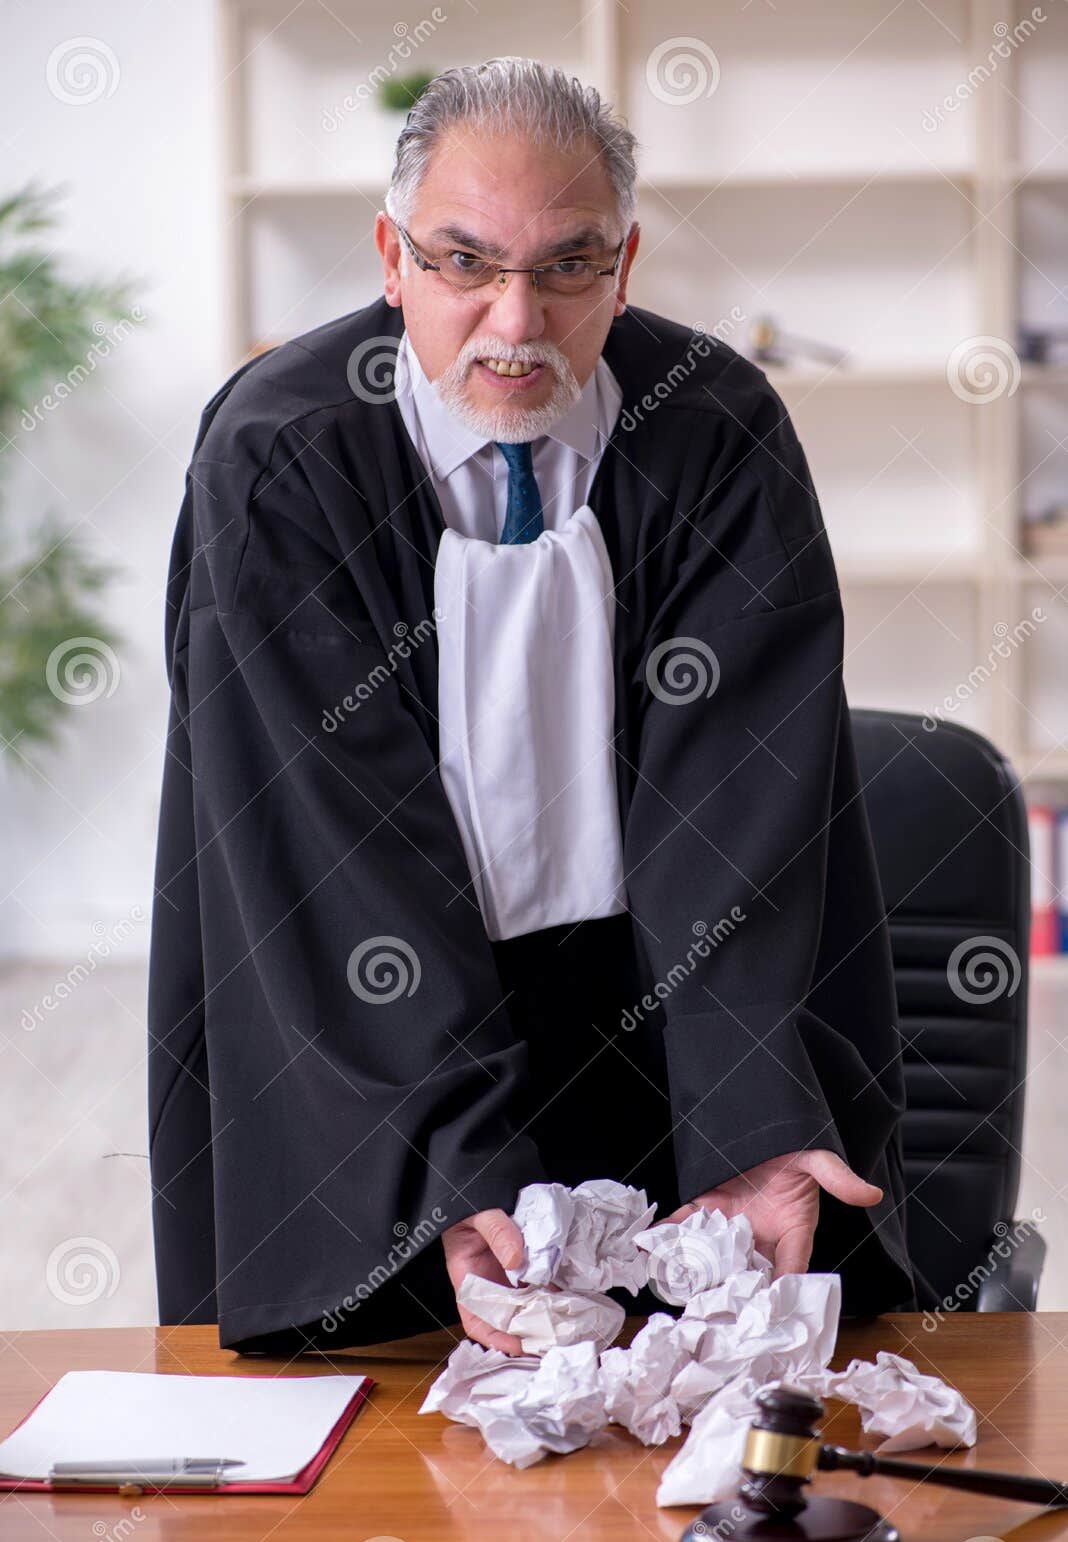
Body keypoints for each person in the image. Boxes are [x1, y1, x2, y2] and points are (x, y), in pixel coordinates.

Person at [147, 57, 914, 1357]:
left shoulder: (711, 430)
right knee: (403, 1429)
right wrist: (447, 1164)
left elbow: (741, 794)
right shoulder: (284, 455)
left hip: (658, 1001)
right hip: (360, 1023)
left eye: (567, 268)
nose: (516, 322)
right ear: (392, 258)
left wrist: (751, 1116)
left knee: (691, 1387)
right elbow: (336, 843)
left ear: (623, 266)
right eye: (463, 264)